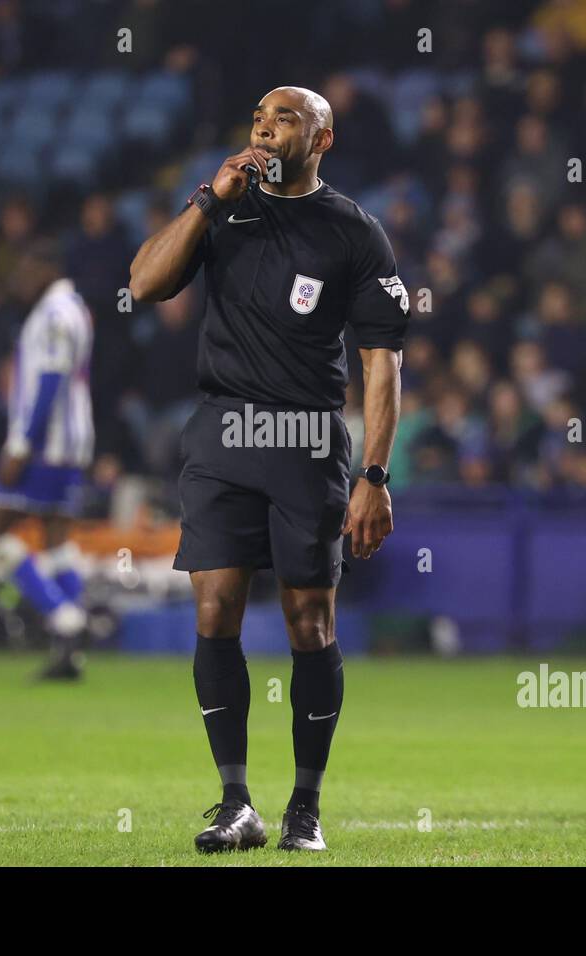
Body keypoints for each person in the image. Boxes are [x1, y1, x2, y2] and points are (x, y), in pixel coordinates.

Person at [129, 86, 409, 852]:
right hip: (222, 433)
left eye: (284, 117)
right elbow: (144, 284)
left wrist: (375, 476)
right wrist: (202, 200)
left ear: (321, 138)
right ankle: (234, 802)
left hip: (307, 441)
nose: (263, 125)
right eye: (257, 115)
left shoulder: (354, 233)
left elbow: (381, 366)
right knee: (214, 608)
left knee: (306, 623)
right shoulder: (224, 211)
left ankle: (305, 808)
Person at [0, 244, 94, 680]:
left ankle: (66, 621)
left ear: (48, 268)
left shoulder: (52, 314)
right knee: (57, 542)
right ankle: (71, 656)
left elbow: (50, 380)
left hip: (46, 445)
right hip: (71, 442)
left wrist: (22, 445)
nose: (19, 278)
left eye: (27, 268)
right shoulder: (75, 309)